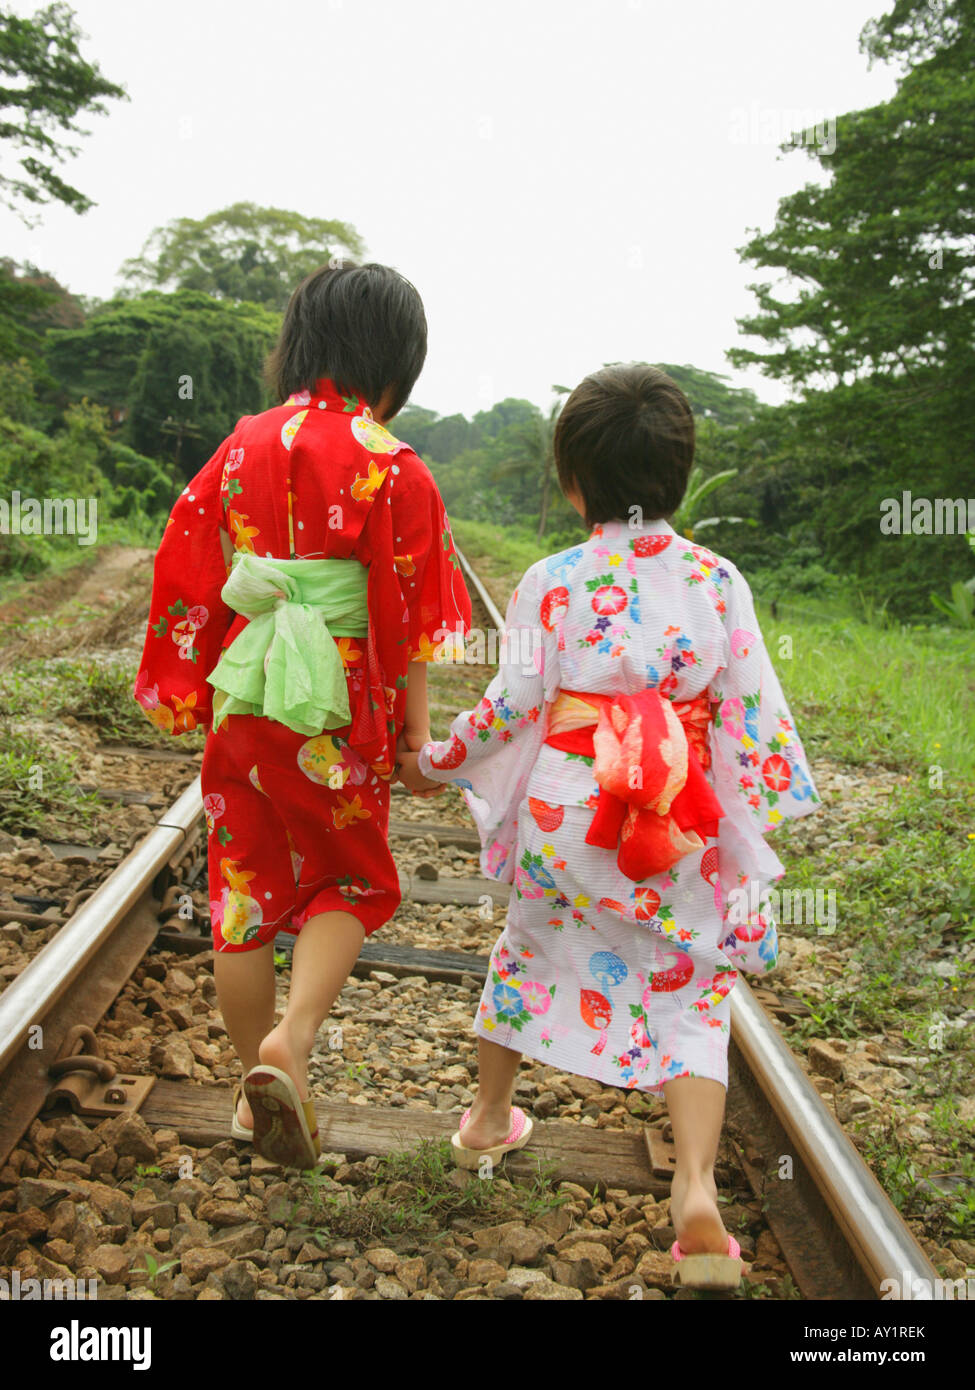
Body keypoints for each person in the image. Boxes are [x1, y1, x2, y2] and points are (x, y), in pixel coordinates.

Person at [397, 363, 820, 1289]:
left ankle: (483, 1122)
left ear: (574, 479)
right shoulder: (718, 580)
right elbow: (751, 711)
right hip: (674, 815)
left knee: (527, 945)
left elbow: (512, 706)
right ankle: (695, 1187)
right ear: (676, 475)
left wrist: (438, 764)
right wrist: (752, 820)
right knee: (692, 988)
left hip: (567, 810)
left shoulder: (551, 581)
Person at [134, 261, 471, 1168]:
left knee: (242, 891)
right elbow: (402, 623)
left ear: (300, 345)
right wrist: (409, 738)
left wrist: (188, 682)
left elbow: (188, 566)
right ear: (398, 362)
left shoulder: (240, 443)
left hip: (245, 696)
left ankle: (253, 1092)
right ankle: (293, 1040)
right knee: (353, 881)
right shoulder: (392, 465)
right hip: (336, 704)